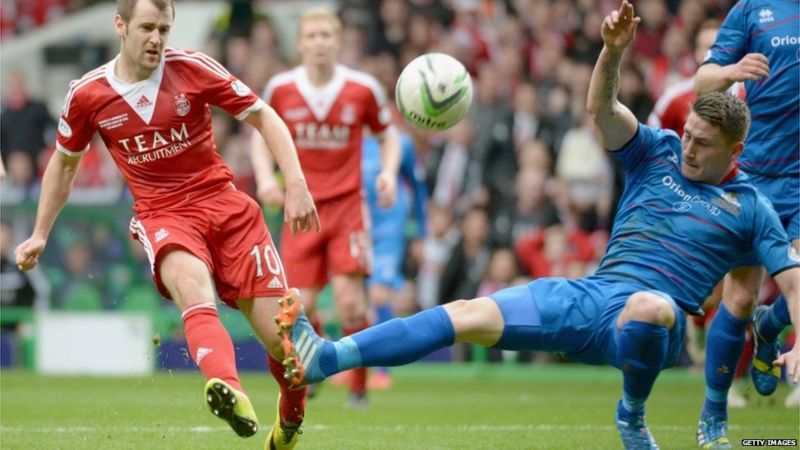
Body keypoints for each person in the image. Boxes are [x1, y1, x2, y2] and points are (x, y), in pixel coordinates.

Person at [273, 3, 800, 449]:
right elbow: (602, 108)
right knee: (464, 312)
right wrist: (612, 52)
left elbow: (793, 282)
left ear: (734, 150)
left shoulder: (750, 205)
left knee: (651, 307)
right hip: (587, 299)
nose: (686, 146)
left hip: (658, 328)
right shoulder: (657, 151)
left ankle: (633, 413)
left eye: (701, 143)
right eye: (686, 133)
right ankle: (328, 357)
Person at [12, 1, 319, 449]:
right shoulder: (88, 94)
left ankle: (290, 422)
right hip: (164, 215)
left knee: (286, 349)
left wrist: (294, 182)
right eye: (147, 28)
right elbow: (63, 166)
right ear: (120, 25)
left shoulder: (193, 68)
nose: (157, 38)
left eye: (164, 28)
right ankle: (227, 387)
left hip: (227, 209)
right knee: (192, 287)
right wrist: (40, 232)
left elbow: (263, 115)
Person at [250, 7, 400, 408]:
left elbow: (389, 137)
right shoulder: (281, 87)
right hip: (301, 210)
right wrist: (265, 179)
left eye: (325, 36)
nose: (319, 43)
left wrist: (387, 173)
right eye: (311, 36)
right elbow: (259, 136)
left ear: (337, 41)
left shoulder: (362, 88)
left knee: (350, 301)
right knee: (301, 305)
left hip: (348, 207)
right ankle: (313, 366)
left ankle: (358, 389)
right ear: (300, 43)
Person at [693, 1, 800, 447]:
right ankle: (713, 414)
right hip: (755, 175)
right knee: (738, 297)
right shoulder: (753, 9)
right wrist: (733, 69)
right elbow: (704, 81)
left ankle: (771, 327)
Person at [362, 132, 427, 388]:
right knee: (355, 302)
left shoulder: (401, 143)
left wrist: (422, 232)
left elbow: (418, 186)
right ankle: (355, 369)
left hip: (389, 229)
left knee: (379, 296)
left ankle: (383, 370)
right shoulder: (349, 139)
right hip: (357, 228)